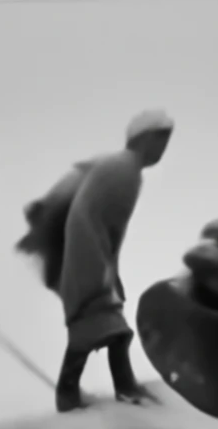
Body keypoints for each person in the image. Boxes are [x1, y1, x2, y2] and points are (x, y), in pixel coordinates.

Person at [15, 110, 172, 411]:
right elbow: (91, 222)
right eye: (160, 139)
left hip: (92, 260)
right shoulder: (123, 168)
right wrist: (99, 269)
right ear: (144, 139)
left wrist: (111, 272)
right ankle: (94, 392)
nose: (163, 148)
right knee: (105, 329)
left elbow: (85, 202)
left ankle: (95, 391)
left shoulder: (122, 167)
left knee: (104, 330)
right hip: (87, 260)